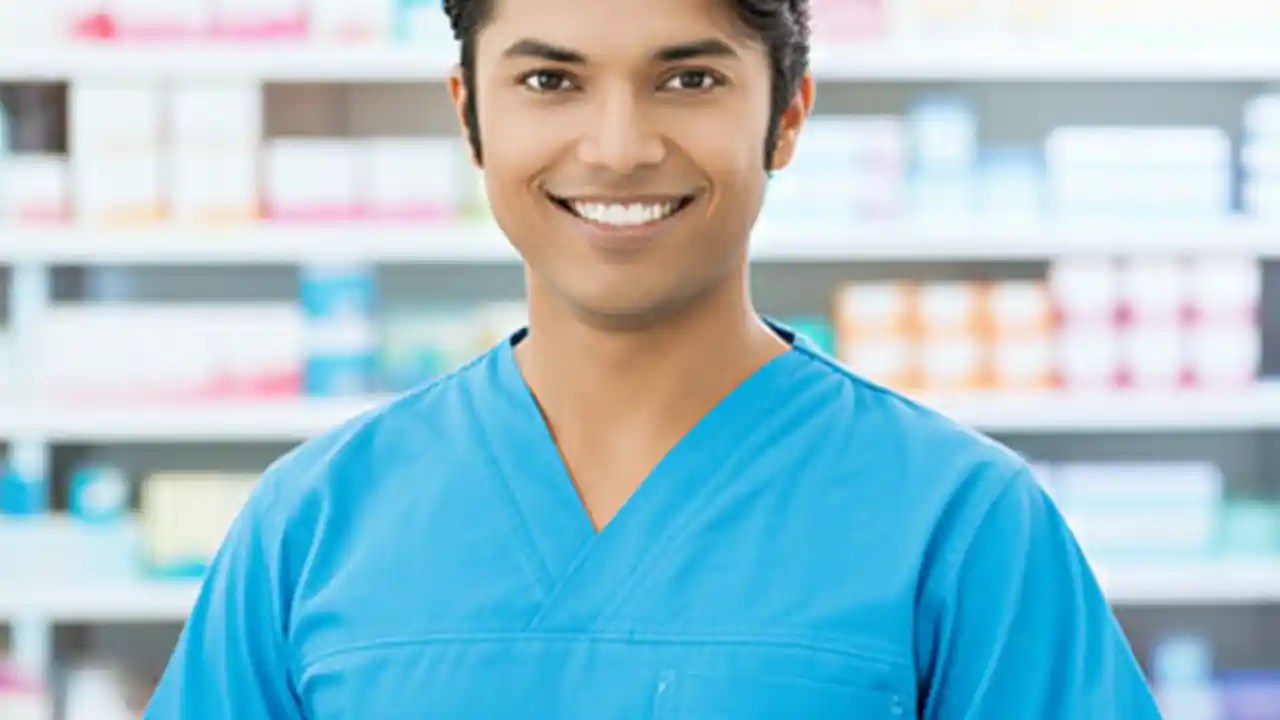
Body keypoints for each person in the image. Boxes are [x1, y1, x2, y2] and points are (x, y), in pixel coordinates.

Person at [146, 0, 1166, 716]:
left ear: (788, 113)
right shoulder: (313, 523)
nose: (618, 145)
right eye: (550, 79)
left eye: (687, 77)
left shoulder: (958, 523)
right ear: (468, 112)